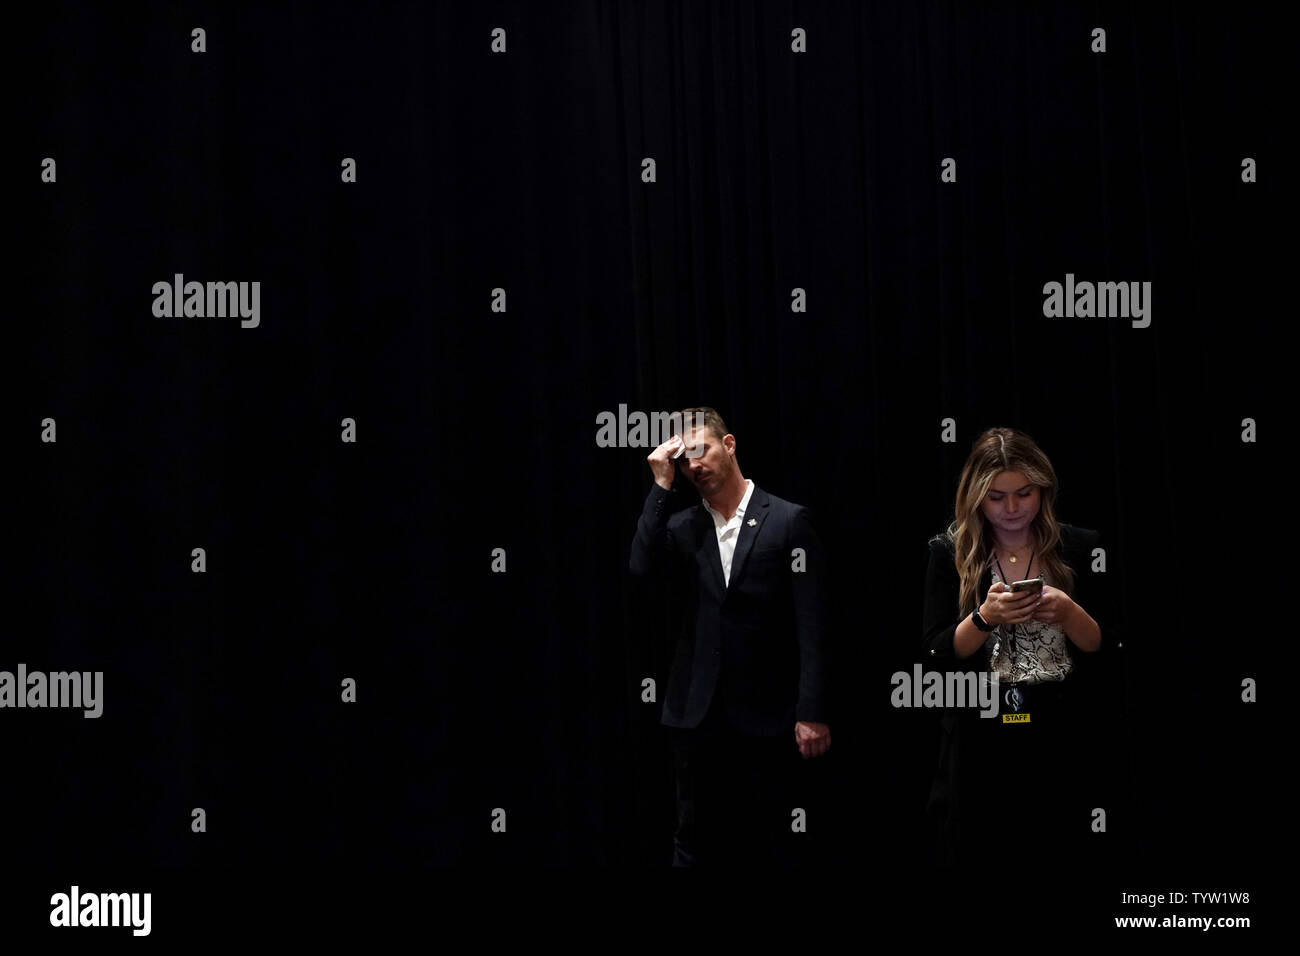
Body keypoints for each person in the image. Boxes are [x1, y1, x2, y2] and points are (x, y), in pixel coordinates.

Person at [629, 407, 831, 866]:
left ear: (730, 445)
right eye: (683, 460)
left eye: (699, 450)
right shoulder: (681, 528)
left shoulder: (787, 520)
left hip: (769, 716)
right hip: (697, 716)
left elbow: (812, 624)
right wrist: (661, 484)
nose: (692, 465)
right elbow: (640, 571)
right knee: (695, 838)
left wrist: (812, 710)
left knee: (770, 837)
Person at [921, 427, 1115, 868]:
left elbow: (1104, 644)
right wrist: (984, 618)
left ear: (1042, 489)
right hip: (981, 736)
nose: (1011, 508)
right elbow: (936, 652)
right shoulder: (951, 552)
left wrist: (1067, 611)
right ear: (975, 497)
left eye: (1023, 493)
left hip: (1061, 730)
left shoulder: (1082, 546)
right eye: (996, 497)